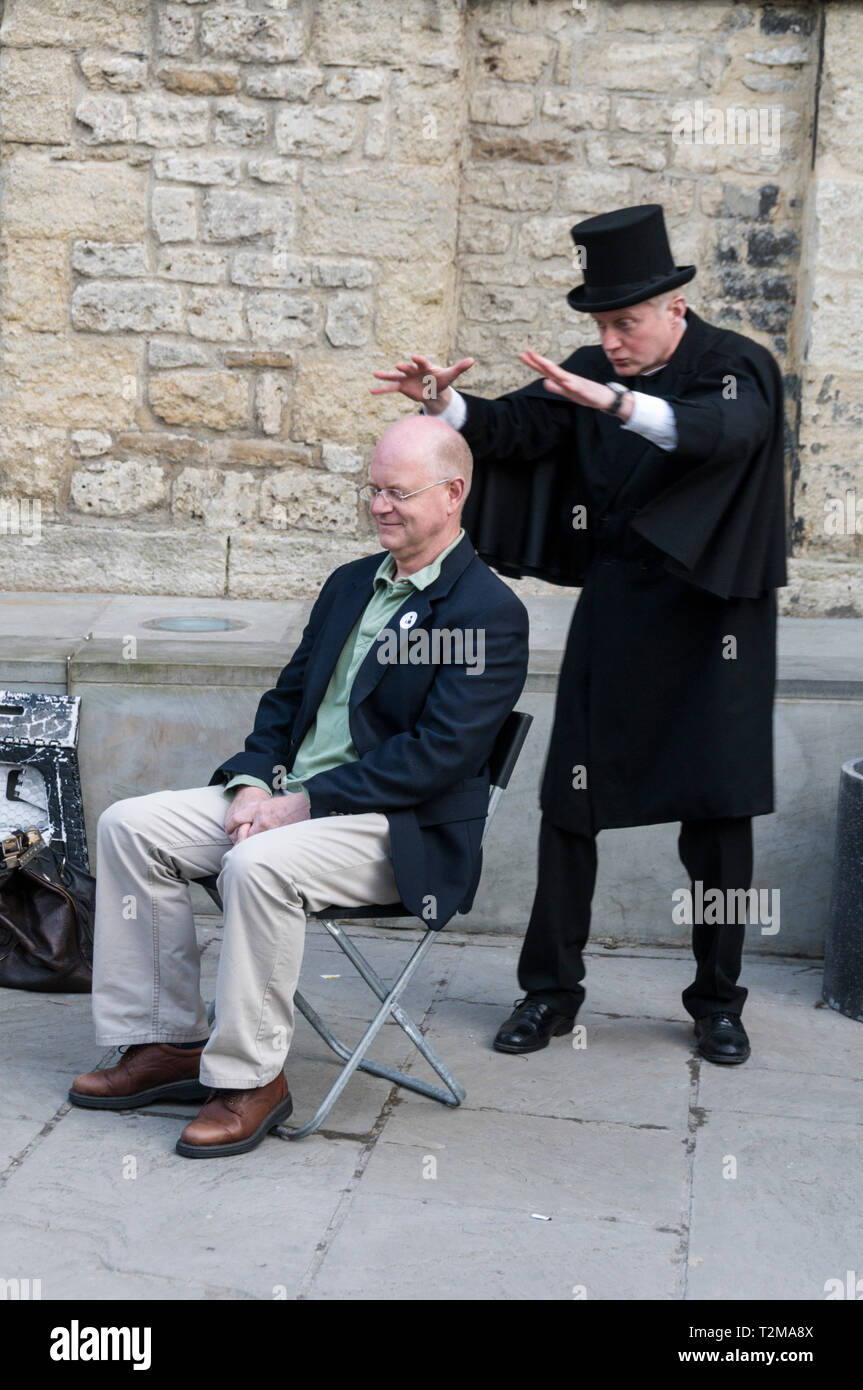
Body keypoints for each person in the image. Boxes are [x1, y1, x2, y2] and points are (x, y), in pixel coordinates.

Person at [372, 204, 787, 1066]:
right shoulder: (592, 369)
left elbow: (727, 436)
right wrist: (447, 406)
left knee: (717, 819)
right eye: (600, 324)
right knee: (570, 809)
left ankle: (717, 1001)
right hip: (619, 613)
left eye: (624, 322)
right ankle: (548, 994)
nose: (610, 339)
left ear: (676, 306)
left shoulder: (732, 366)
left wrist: (621, 404)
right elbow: (518, 430)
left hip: (716, 624)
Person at [69, 415, 529, 1158]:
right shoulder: (350, 585)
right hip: (292, 802)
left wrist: (302, 802)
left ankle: (253, 1080)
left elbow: (437, 756)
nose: (379, 505)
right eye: (372, 489)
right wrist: (254, 782)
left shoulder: (486, 612)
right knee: (129, 824)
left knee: (258, 864)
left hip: (395, 828)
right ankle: (165, 1044)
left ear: (452, 494)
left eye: (397, 493)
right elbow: (286, 704)